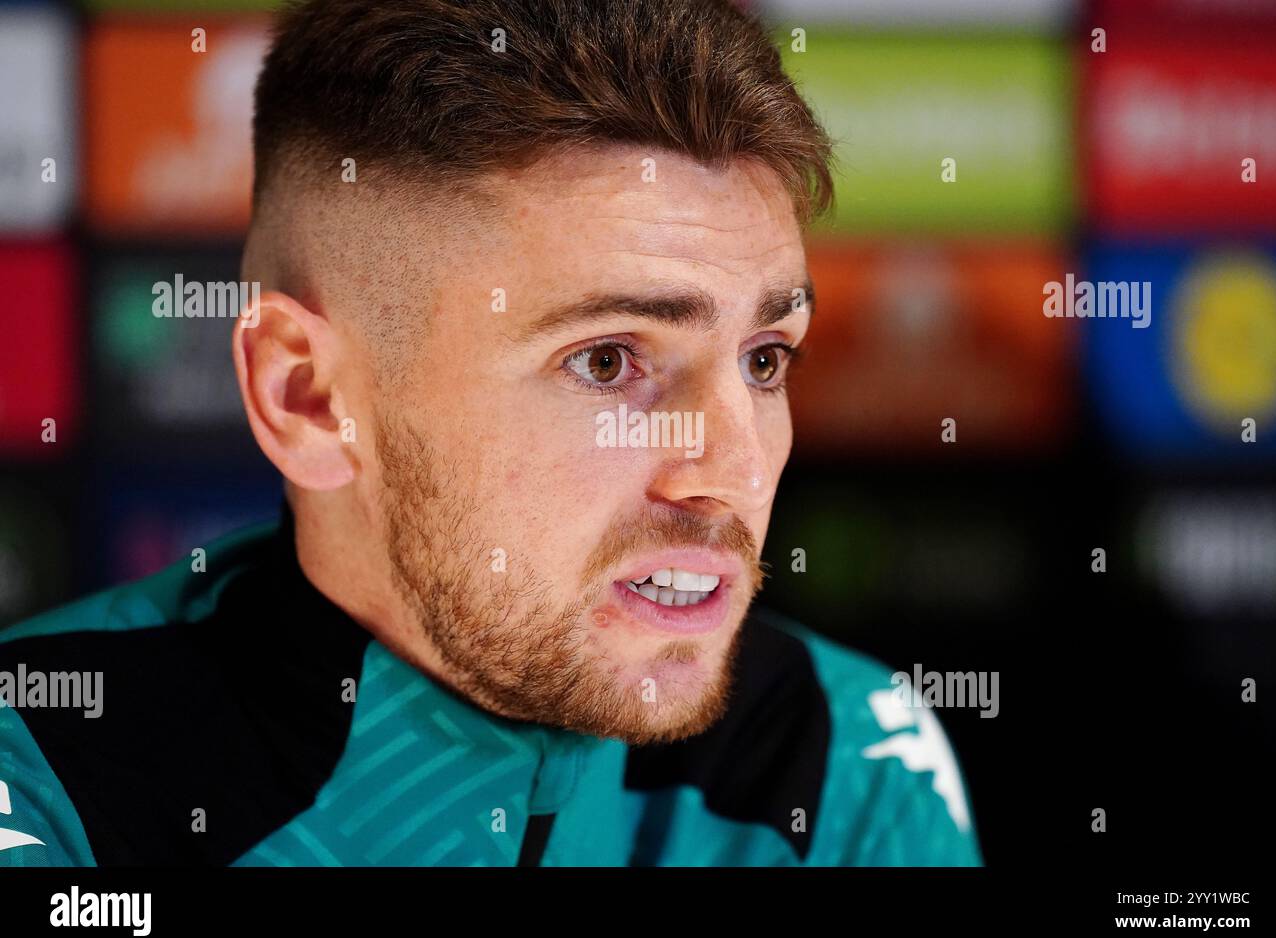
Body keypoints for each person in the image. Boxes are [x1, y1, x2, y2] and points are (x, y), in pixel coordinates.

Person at [0, 0, 980, 866]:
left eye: (765, 358)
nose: (732, 468)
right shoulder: (48, 766)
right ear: (305, 395)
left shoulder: (846, 749)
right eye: (608, 361)